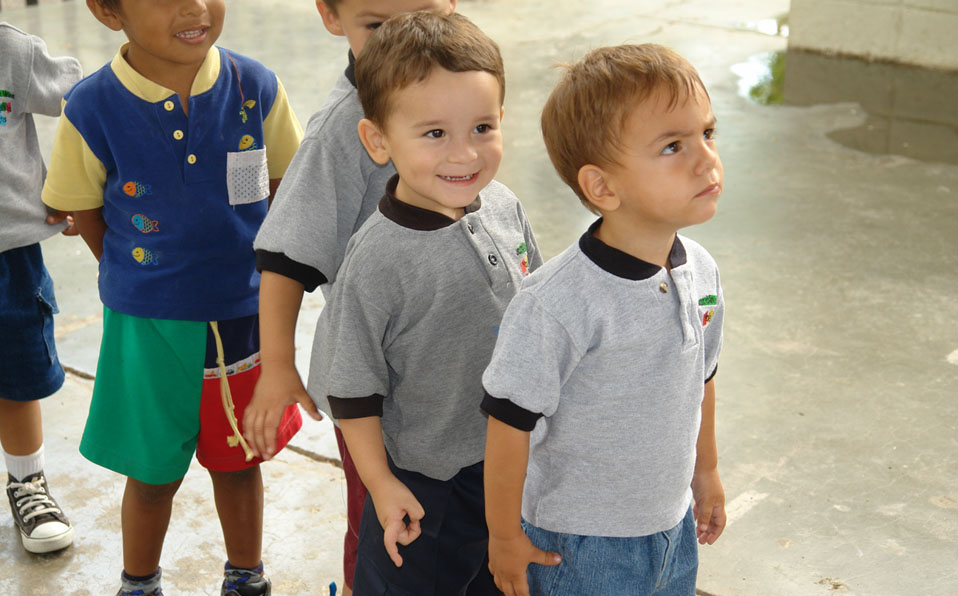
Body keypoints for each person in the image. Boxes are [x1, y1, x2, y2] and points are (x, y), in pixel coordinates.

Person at [40, 1, 304, 594]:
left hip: (244, 315)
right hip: (148, 325)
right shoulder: (91, 106)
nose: (193, 7)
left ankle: (246, 576)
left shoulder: (255, 87)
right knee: (152, 470)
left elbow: (285, 187)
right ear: (109, 11)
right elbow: (83, 209)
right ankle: (139, 582)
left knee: (239, 464)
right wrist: (146, 276)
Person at [482, 43, 728, 596]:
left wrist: (705, 473)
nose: (705, 158)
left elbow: (702, 380)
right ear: (602, 187)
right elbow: (508, 425)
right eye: (672, 146)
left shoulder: (703, 272)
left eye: (707, 134)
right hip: (579, 544)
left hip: (671, 527)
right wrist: (502, 538)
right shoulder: (558, 302)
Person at [311, 11, 539, 595]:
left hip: (511, 462)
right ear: (378, 140)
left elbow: (539, 312)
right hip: (426, 486)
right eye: (435, 133)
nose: (465, 155)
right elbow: (351, 387)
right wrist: (383, 485)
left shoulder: (505, 205)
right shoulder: (379, 258)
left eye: (482, 128)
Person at [243, 0, 456, 593]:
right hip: (379, 390)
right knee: (387, 530)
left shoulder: (465, 92)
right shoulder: (346, 124)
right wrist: (278, 365)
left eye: (424, 16)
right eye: (379, 26)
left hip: (456, 385)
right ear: (331, 16)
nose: (406, 43)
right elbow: (287, 254)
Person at [0, 21, 82, 556]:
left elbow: (89, 102)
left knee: (18, 375)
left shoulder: (12, 51)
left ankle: (26, 483)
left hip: (8, 252)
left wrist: (74, 184)